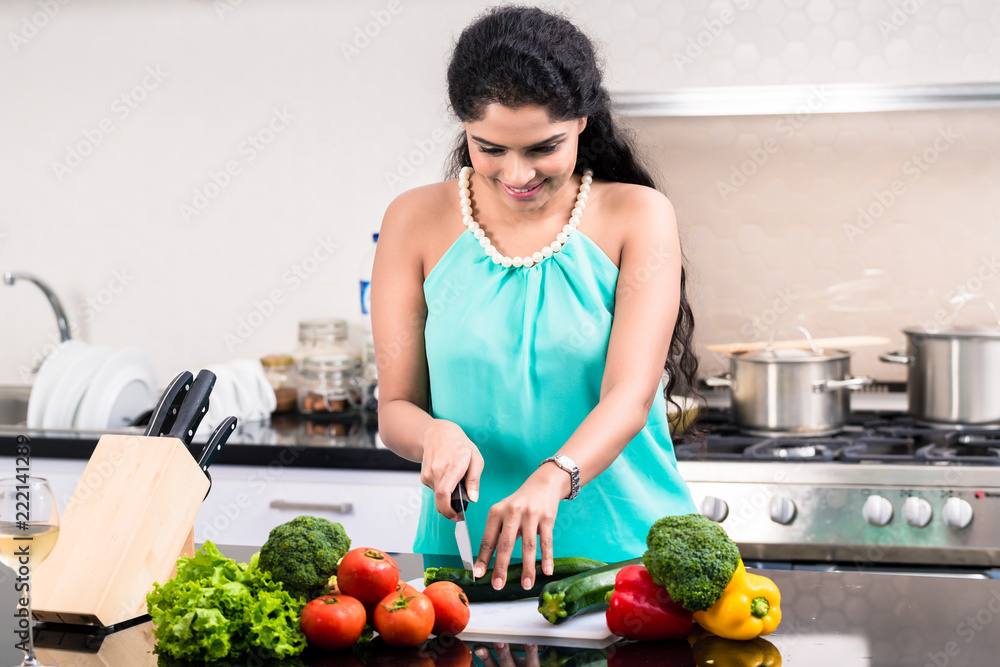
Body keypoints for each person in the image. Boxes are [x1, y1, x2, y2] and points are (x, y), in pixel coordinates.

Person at [371, 6, 699, 592]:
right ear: (464, 128)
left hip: (626, 559)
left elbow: (629, 395)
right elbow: (395, 408)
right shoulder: (413, 220)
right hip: (469, 562)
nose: (516, 173)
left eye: (542, 147)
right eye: (489, 148)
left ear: (581, 121)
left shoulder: (638, 216)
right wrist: (432, 435)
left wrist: (554, 476)